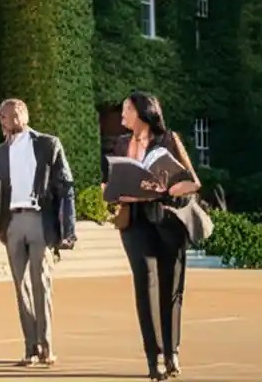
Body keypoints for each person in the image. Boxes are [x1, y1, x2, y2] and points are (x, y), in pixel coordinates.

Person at [103, 91, 202, 380]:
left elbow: (192, 183)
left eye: (127, 109)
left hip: (167, 221)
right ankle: (154, 357)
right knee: (145, 286)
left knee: (170, 290)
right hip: (134, 223)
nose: (122, 114)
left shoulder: (168, 140)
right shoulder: (120, 143)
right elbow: (112, 184)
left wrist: (167, 190)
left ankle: (172, 352)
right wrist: (111, 192)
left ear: (143, 112)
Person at [0, 98, 77, 367]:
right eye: (7, 115)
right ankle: (30, 348)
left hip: (39, 220)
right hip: (12, 222)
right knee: (20, 287)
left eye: (18, 113)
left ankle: (46, 346)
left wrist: (69, 229)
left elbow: (66, 185)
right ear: (1, 119)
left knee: (41, 283)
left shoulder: (48, 144)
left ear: (26, 114)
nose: (13, 118)